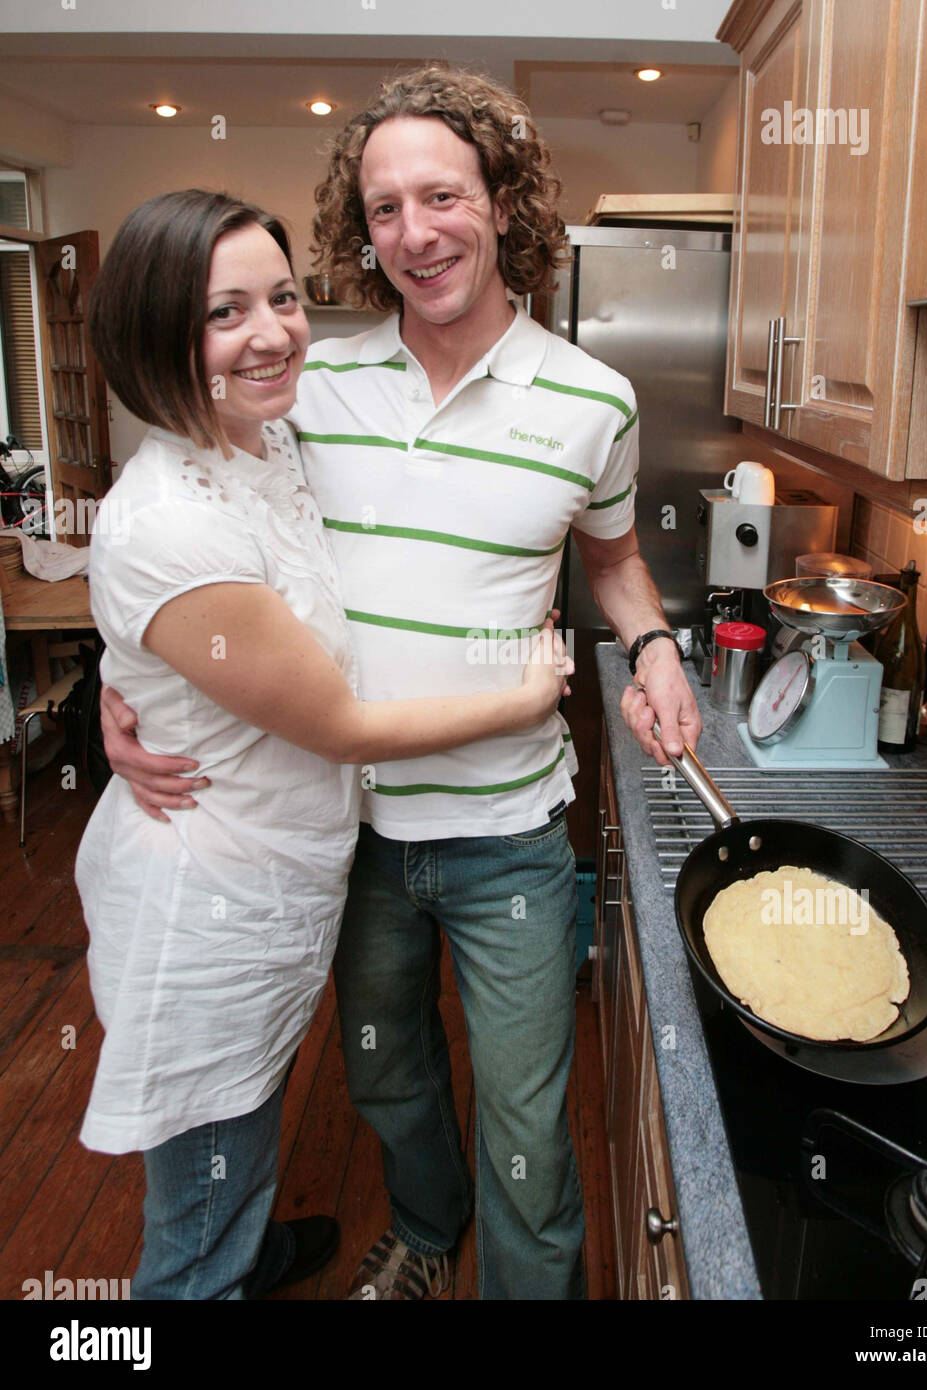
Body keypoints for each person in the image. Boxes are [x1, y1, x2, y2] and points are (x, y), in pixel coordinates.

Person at [101, 66, 701, 1300]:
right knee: (383, 1072)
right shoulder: (303, 389)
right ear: (360, 231)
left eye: (440, 195)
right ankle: (430, 1231)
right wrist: (141, 690)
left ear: (502, 200)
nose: (413, 233)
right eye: (383, 208)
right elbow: (210, 552)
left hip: (509, 831)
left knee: (530, 1130)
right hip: (351, 829)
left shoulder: (596, 400)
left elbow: (617, 559)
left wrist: (649, 647)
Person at [77, 187, 571, 1302]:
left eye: (285, 299)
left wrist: (124, 685)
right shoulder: (172, 519)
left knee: (236, 1150)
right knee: (197, 1213)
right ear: (158, 333)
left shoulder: (271, 438)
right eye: (224, 313)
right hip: (203, 914)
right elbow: (338, 722)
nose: (273, 332)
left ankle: (243, 1252)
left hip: (281, 875)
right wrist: (526, 686)